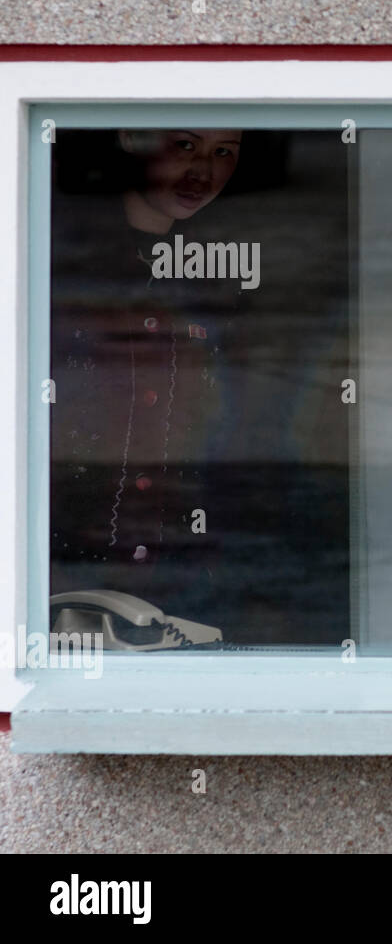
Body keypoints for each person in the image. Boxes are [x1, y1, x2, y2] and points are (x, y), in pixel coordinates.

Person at [49, 129, 244, 637]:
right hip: (67, 563)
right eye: (185, 146)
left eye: (223, 152)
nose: (203, 172)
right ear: (133, 140)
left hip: (180, 571)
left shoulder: (218, 266)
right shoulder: (54, 251)